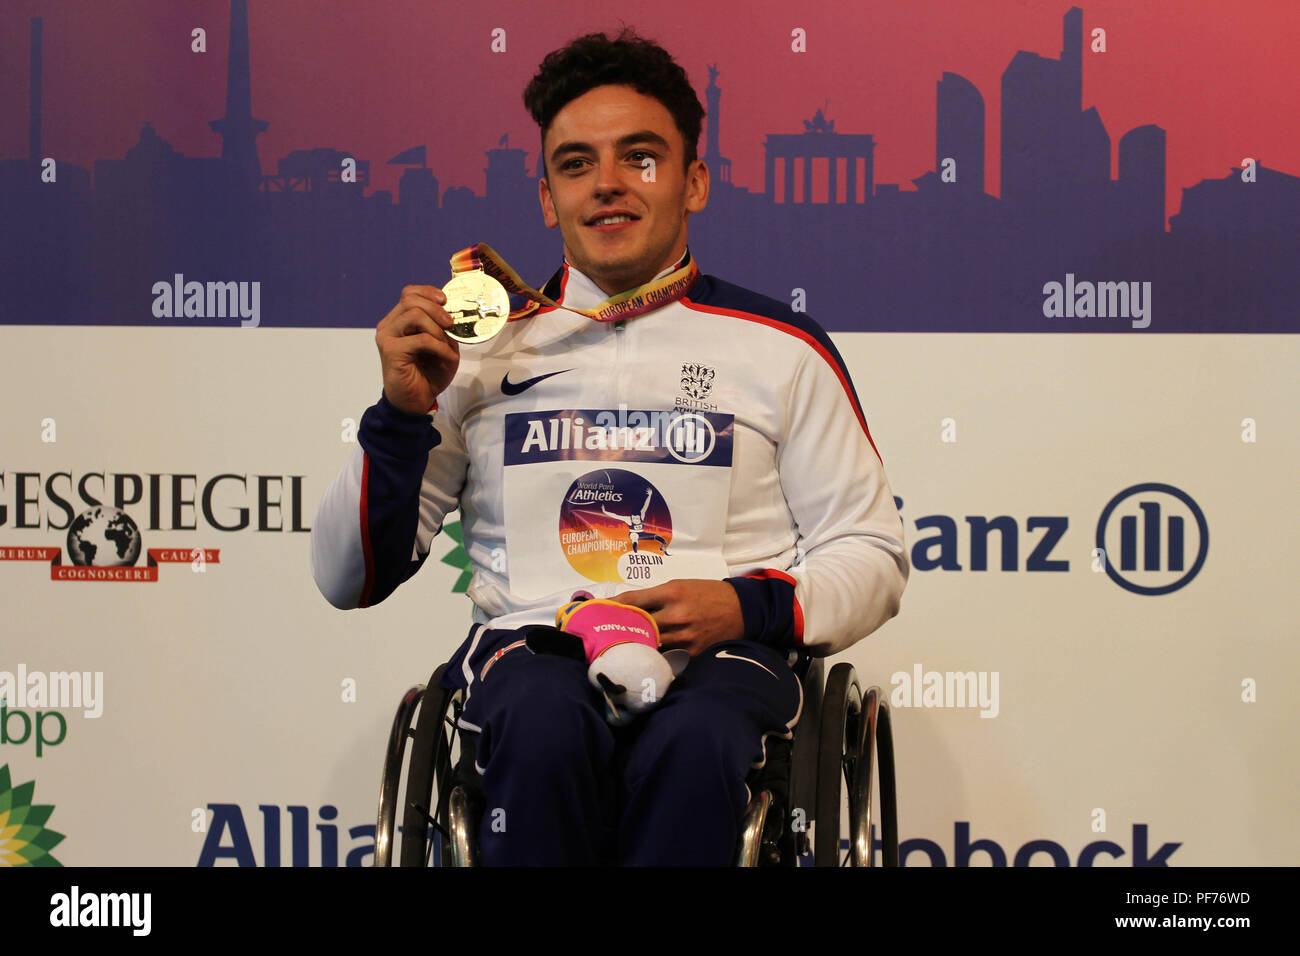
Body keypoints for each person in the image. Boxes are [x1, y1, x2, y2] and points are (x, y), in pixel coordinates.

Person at [310, 28, 909, 866]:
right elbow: (346, 577)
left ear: (694, 180)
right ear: (549, 197)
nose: (609, 186)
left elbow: (871, 553)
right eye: (576, 163)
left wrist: (751, 605)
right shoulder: (473, 351)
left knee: (695, 739)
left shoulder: (781, 349)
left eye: (642, 157)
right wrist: (400, 415)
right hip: (532, 654)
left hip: (722, 659)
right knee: (543, 722)